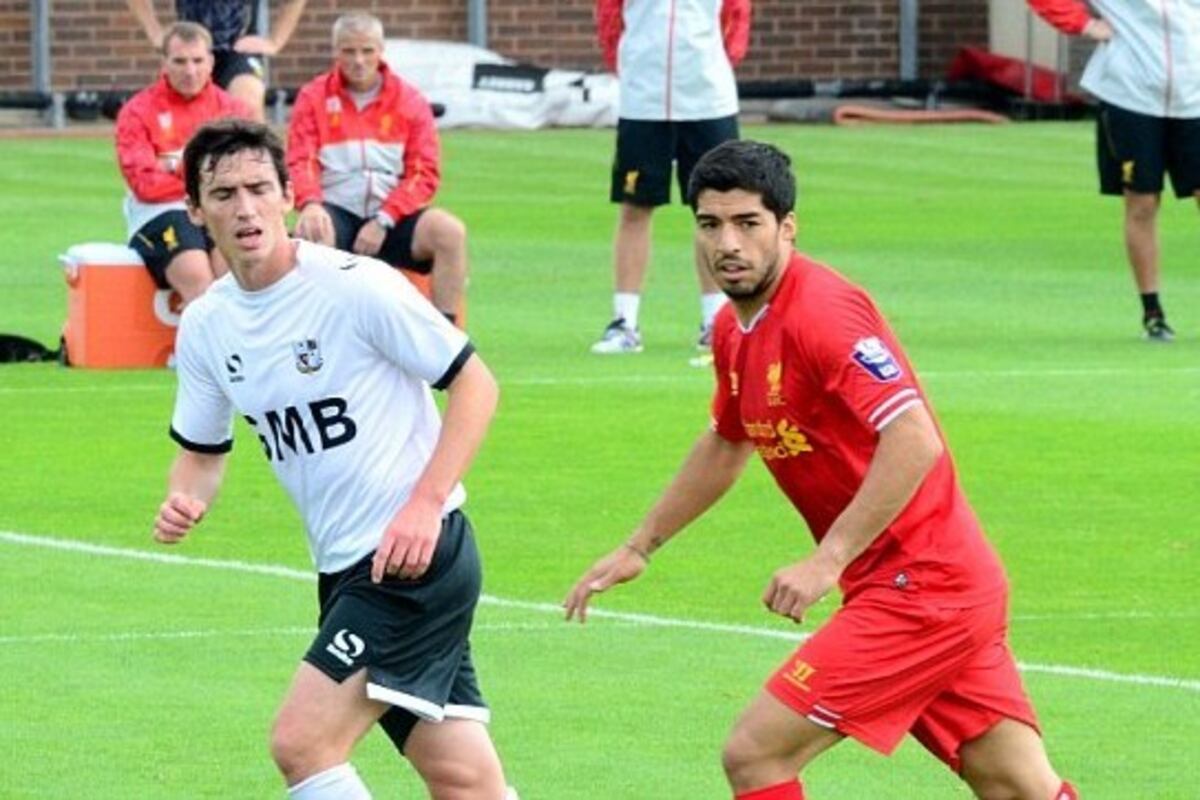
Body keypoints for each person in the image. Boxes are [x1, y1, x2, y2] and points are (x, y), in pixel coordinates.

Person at [565, 140, 1080, 800]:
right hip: (937, 586)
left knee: (755, 754)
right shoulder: (734, 328)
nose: (728, 243)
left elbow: (914, 437)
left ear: (787, 227)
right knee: (1017, 786)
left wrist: (827, 559)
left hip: (921, 588)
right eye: (709, 224)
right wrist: (641, 545)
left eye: (748, 224)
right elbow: (727, 441)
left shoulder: (821, 312)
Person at [154, 118, 515, 800]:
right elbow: (201, 452)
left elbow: (475, 383)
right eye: (224, 194)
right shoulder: (207, 324)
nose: (245, 207)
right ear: (197, 212)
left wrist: (423, 505)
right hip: (346, 569)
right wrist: (185, 497)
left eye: (260, 187)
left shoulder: (356, 285)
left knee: (302, 743)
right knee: (463, 777)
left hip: (412, 558)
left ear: (289, 193)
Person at [1027, 0, 1200, 342]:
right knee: (1143, 202)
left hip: (1194, 94)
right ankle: (1153, 311)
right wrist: (1083, 24)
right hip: (1130, 94)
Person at [589, 0, 751, 362]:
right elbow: (609, 18)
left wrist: (720, 59)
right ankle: (624, 321)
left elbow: (736, 17)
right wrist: (628, 66)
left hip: (708, 98)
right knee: (635, 207)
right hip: (643, 99)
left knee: (717, 209)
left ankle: (716, 322)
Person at [288, 12, 469, 325]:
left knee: (449, 231)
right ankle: (321, 335)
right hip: (337, 209)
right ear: (335, 52)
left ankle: (445, 335)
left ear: (381, 51)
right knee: (313, 230)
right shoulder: (313, 96)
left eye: (367, 50)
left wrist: (385, 220)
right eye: (349, 51)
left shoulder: (409, 99)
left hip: (393, 216)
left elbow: (424, 171)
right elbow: (300, 159)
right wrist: (311, 204)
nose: (358, 60)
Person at [116, 21, 251, 306]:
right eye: (179, 61)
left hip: (219, 207)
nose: (190, 71)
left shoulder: (234, 110)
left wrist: (173, 166)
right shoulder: (137, 112)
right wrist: (207, 179)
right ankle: (205, 352)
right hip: (160, 212)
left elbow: (249, 170)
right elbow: (146, 185)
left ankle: (243, 351)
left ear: (212, 61)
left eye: (197, 60)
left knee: (235, 276)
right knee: (198, 280)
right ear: (163, 62)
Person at [125, 0, 307, 121]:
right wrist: (154, 31)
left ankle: (256, 173)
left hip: (240, 47)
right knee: (187, 120)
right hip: (193, 48)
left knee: (248, 102)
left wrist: (276, 41)